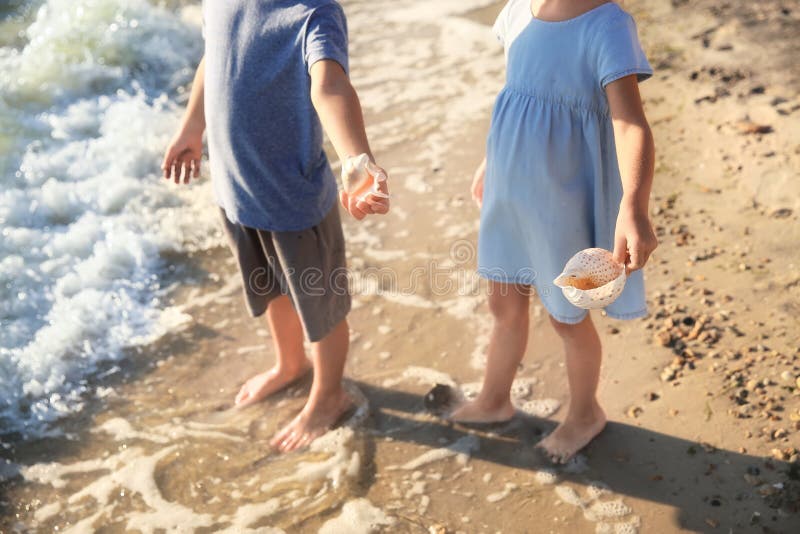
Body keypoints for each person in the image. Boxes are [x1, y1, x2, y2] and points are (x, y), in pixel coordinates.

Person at [161, 0, 389, 453]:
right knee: (271, 290)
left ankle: (329, 396)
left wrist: (356, 159)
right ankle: (289, 364)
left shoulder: (314, 12)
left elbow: (330, 85)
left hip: (292, 198)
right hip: (236, 188)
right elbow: (215, 52)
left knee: (321, 307)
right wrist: (191, 125)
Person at [452, 0, 657, 463]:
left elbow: (630, 126)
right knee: (503, 301)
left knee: (566, 315)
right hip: (512, 190)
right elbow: (521, 94)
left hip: (563, 200)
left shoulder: (607, 25)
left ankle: (585, 414)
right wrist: (493, 159)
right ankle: (494, 398)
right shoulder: (520, 11)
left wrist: (634, 206)